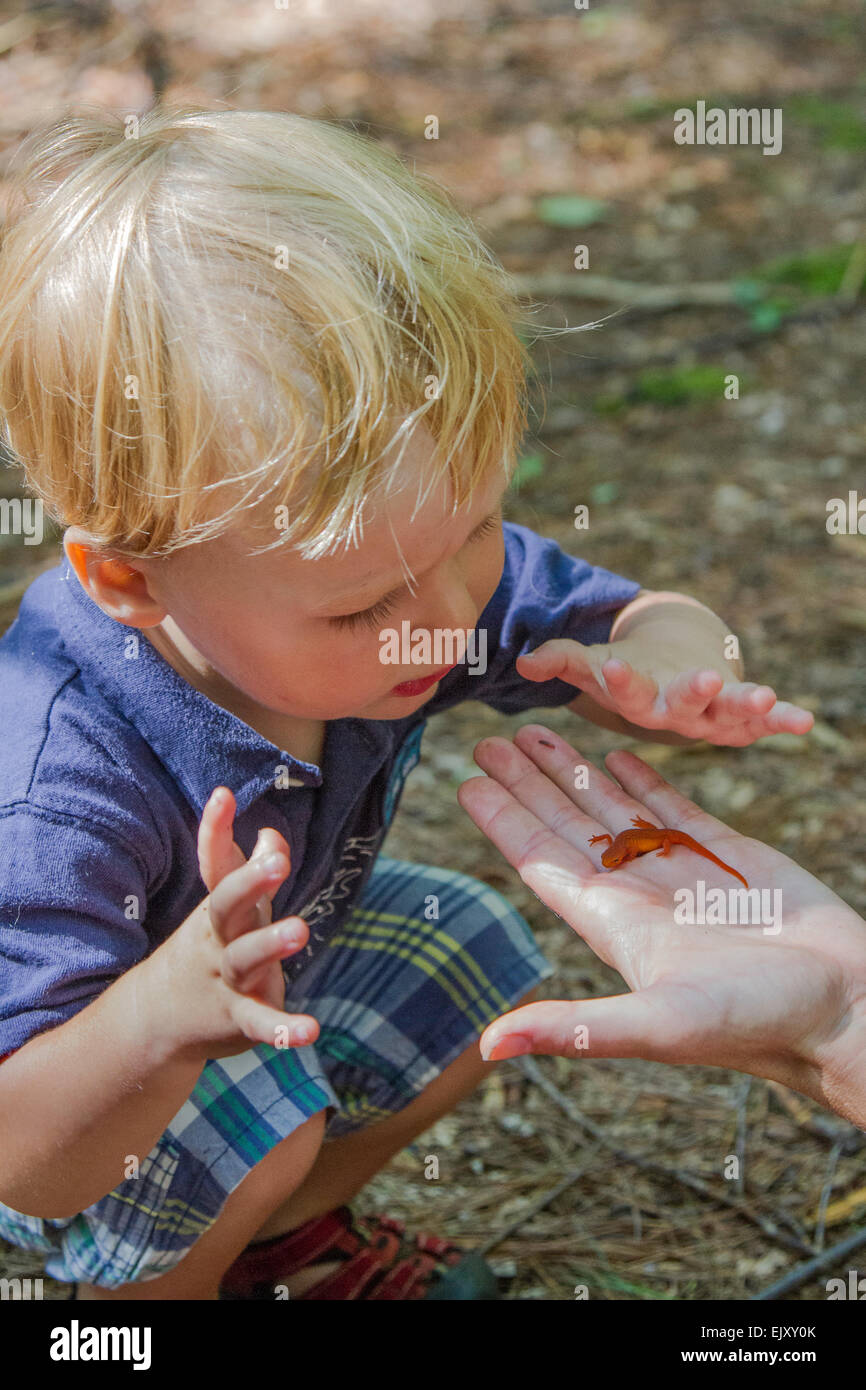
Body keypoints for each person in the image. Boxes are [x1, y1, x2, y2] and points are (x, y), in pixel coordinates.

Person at [0, 107, 814, 1301]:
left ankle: (274, 1248)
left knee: (470, 950)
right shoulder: (59, 787)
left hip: (249, 1012)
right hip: (69, 1109)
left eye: (479, 527)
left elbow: (628, 626)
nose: (446, 616)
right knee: (259, 1115)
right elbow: (25, 1154)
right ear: (129, 578)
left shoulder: (400, 571)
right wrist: (159, 1022)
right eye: (362, 607)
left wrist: (678, 676)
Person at [457, 727, 866, 1132]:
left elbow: (634, 845)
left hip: (666, 838)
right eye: (614, 860)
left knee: (680, 843)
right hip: (648, 835)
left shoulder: (643, 847)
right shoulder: (617, 847)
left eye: (617, 860)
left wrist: (848, 1014)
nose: (615, 861)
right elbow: (616, 842)